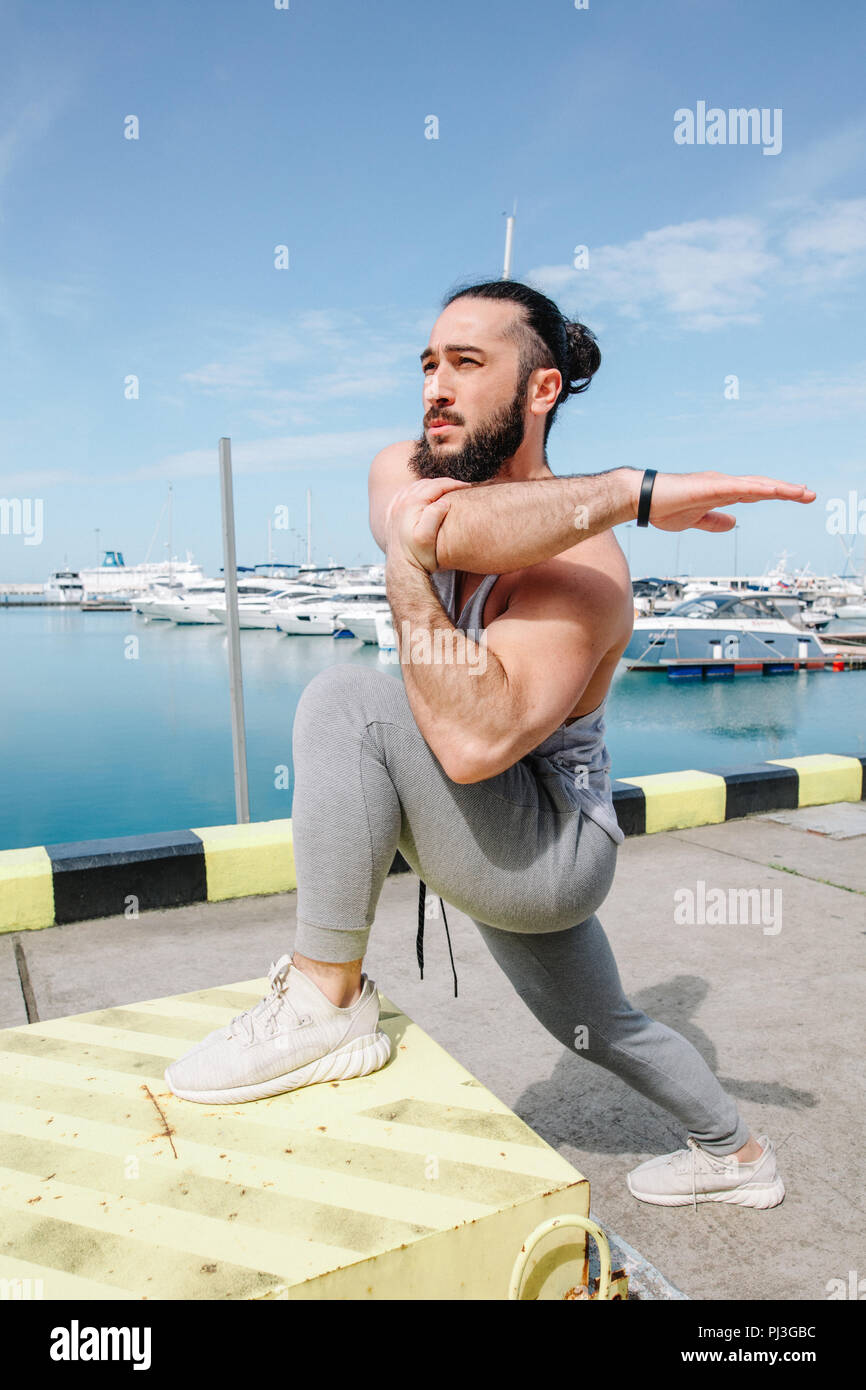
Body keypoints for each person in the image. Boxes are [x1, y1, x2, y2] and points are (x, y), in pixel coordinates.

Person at [165, 279, 815, 1210]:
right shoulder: (409, 468)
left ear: (540, 390)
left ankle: (325, 1001)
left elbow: (471, 744)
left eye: (467, 364)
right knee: (606, 1024)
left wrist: (440, 555)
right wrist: (634, 492)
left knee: (349, 703)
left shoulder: (586, 573)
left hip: (547, 846)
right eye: (429, 362)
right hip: (498, 828)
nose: (437, 384)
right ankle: (738, 1156)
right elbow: (448, 527)